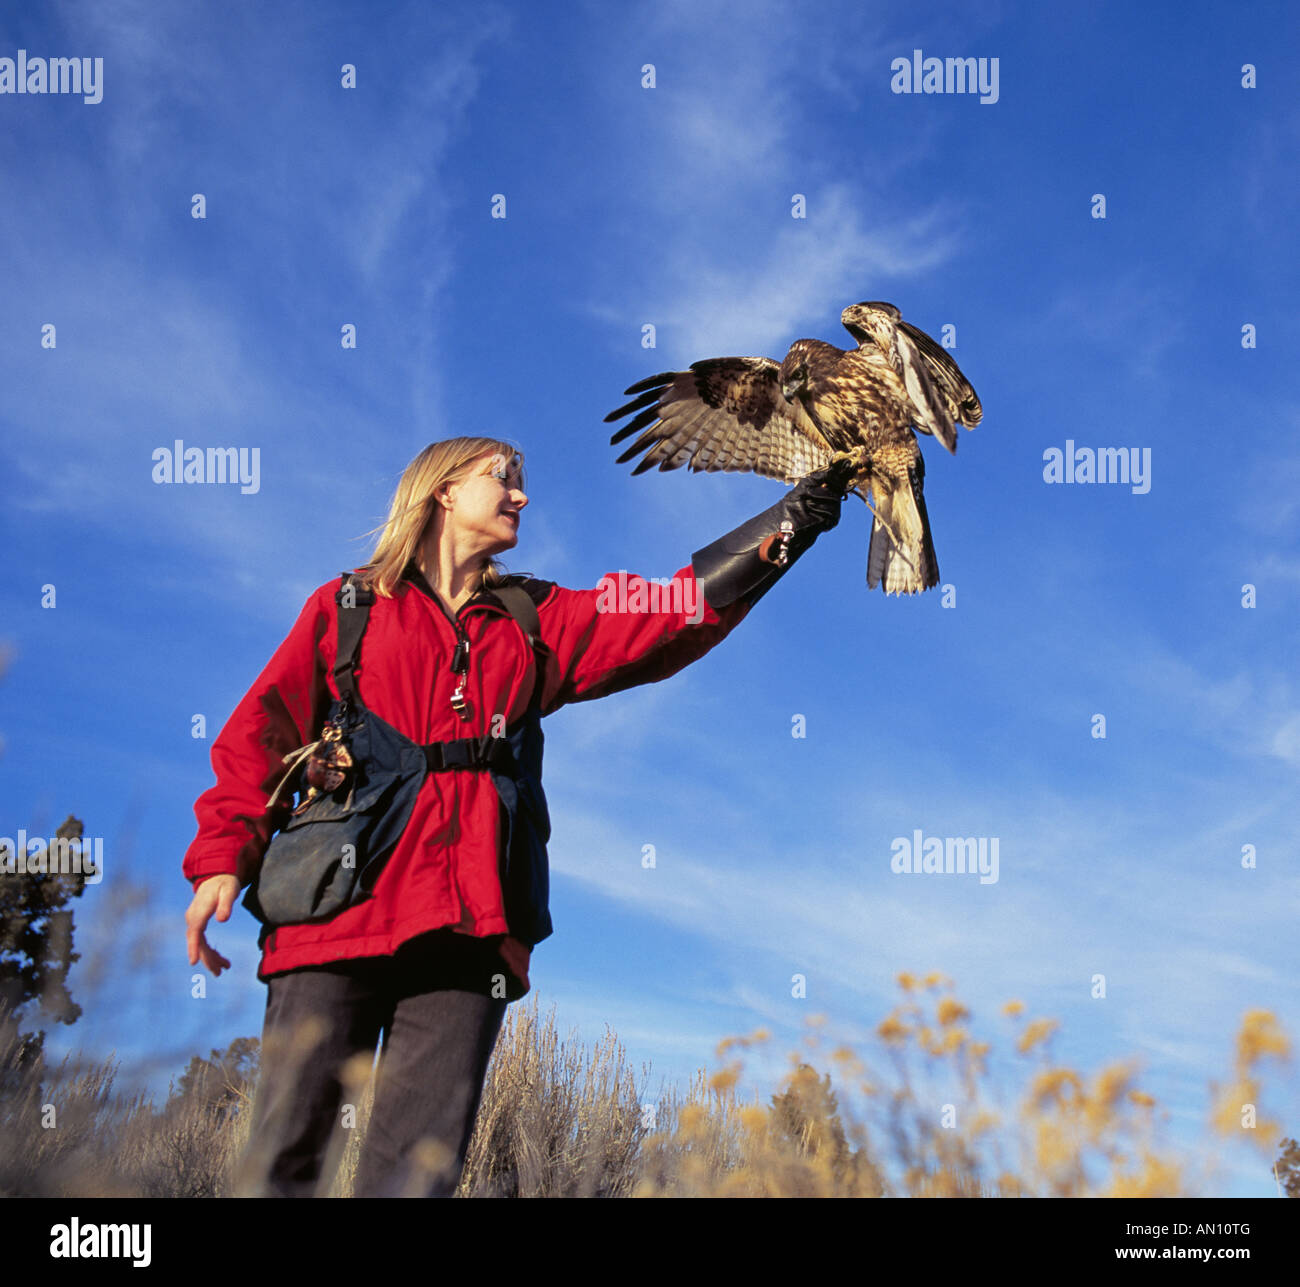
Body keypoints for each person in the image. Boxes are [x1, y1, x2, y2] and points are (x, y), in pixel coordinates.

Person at [182, 436, 849, 1198]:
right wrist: (221, 861)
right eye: (503, 478)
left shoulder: (535, 616)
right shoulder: (349, 608)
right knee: (283, 1159)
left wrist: (787, 528)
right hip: (335, 915)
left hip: (472, 929)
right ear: (442, 491)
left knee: (415, 1175)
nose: (522, 496)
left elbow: (666, 610)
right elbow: (257, 734)